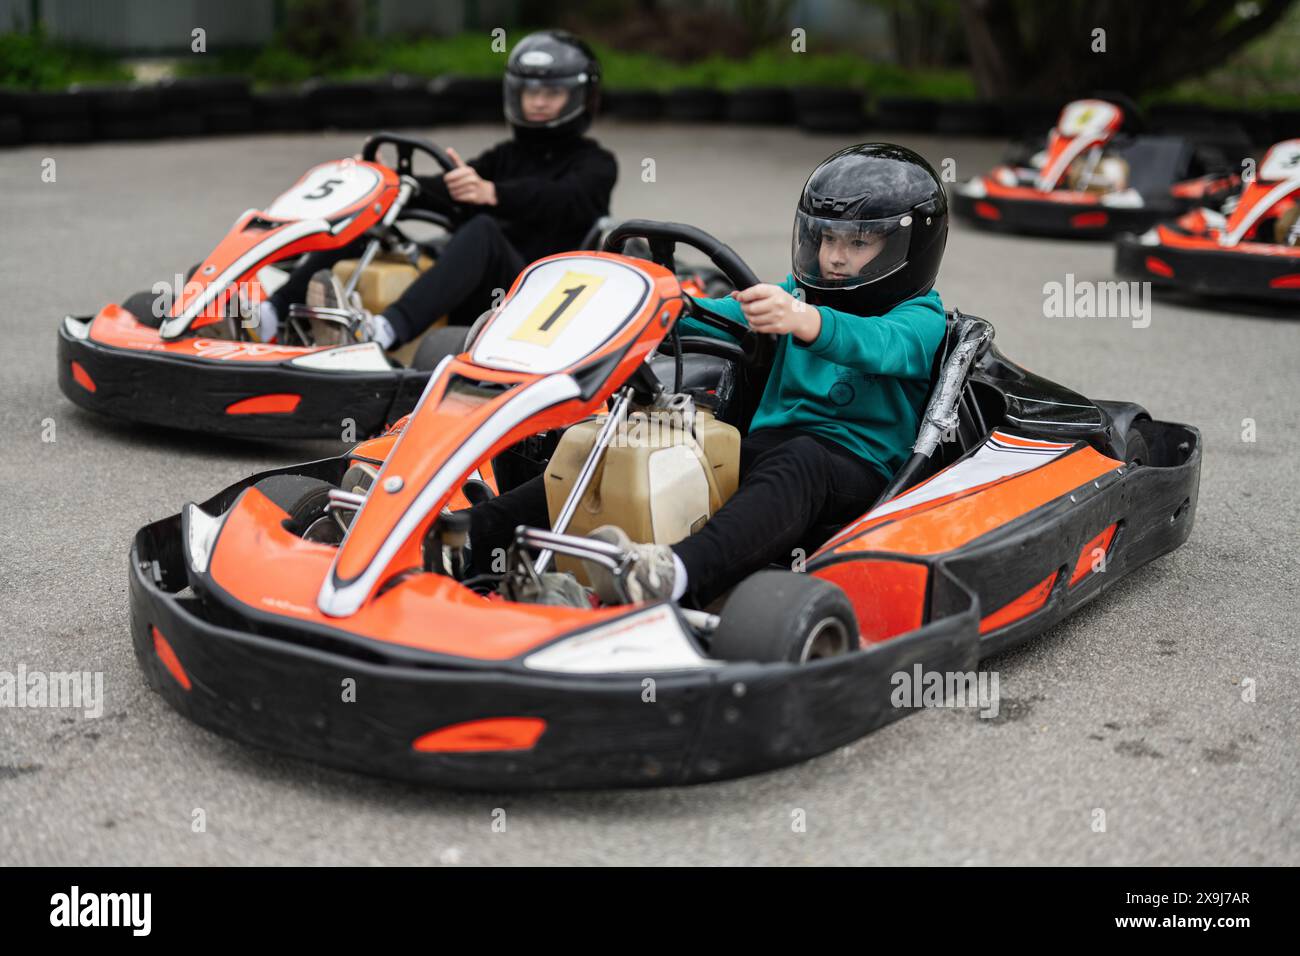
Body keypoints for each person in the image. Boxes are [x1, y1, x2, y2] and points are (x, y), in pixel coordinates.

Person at [469, 143, 951, 609]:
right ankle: (474, 534)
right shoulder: (798, 296)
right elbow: (719, 315)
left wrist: (803, 319)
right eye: (828, 239)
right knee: (640, 444)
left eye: (859, 243)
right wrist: (650, 306)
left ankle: (670, 575)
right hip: (767, 448)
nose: (835, 257)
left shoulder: (919, 317)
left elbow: (877, 346)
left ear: (909, 247)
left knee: (800, 460)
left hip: (855, 467)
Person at [256, 30, 617, 349]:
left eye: (551, 93)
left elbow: (562, 200)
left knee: (483, 232)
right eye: (530, 92)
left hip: (536, 298)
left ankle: (382, 332)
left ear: (580, 97)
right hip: (474, 285)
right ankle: (271, 315)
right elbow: (450, 191)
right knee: (374, 217)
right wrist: (389, 184)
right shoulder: (504, 157)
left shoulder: (596, 164)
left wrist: (493, 194)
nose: (538, 102)